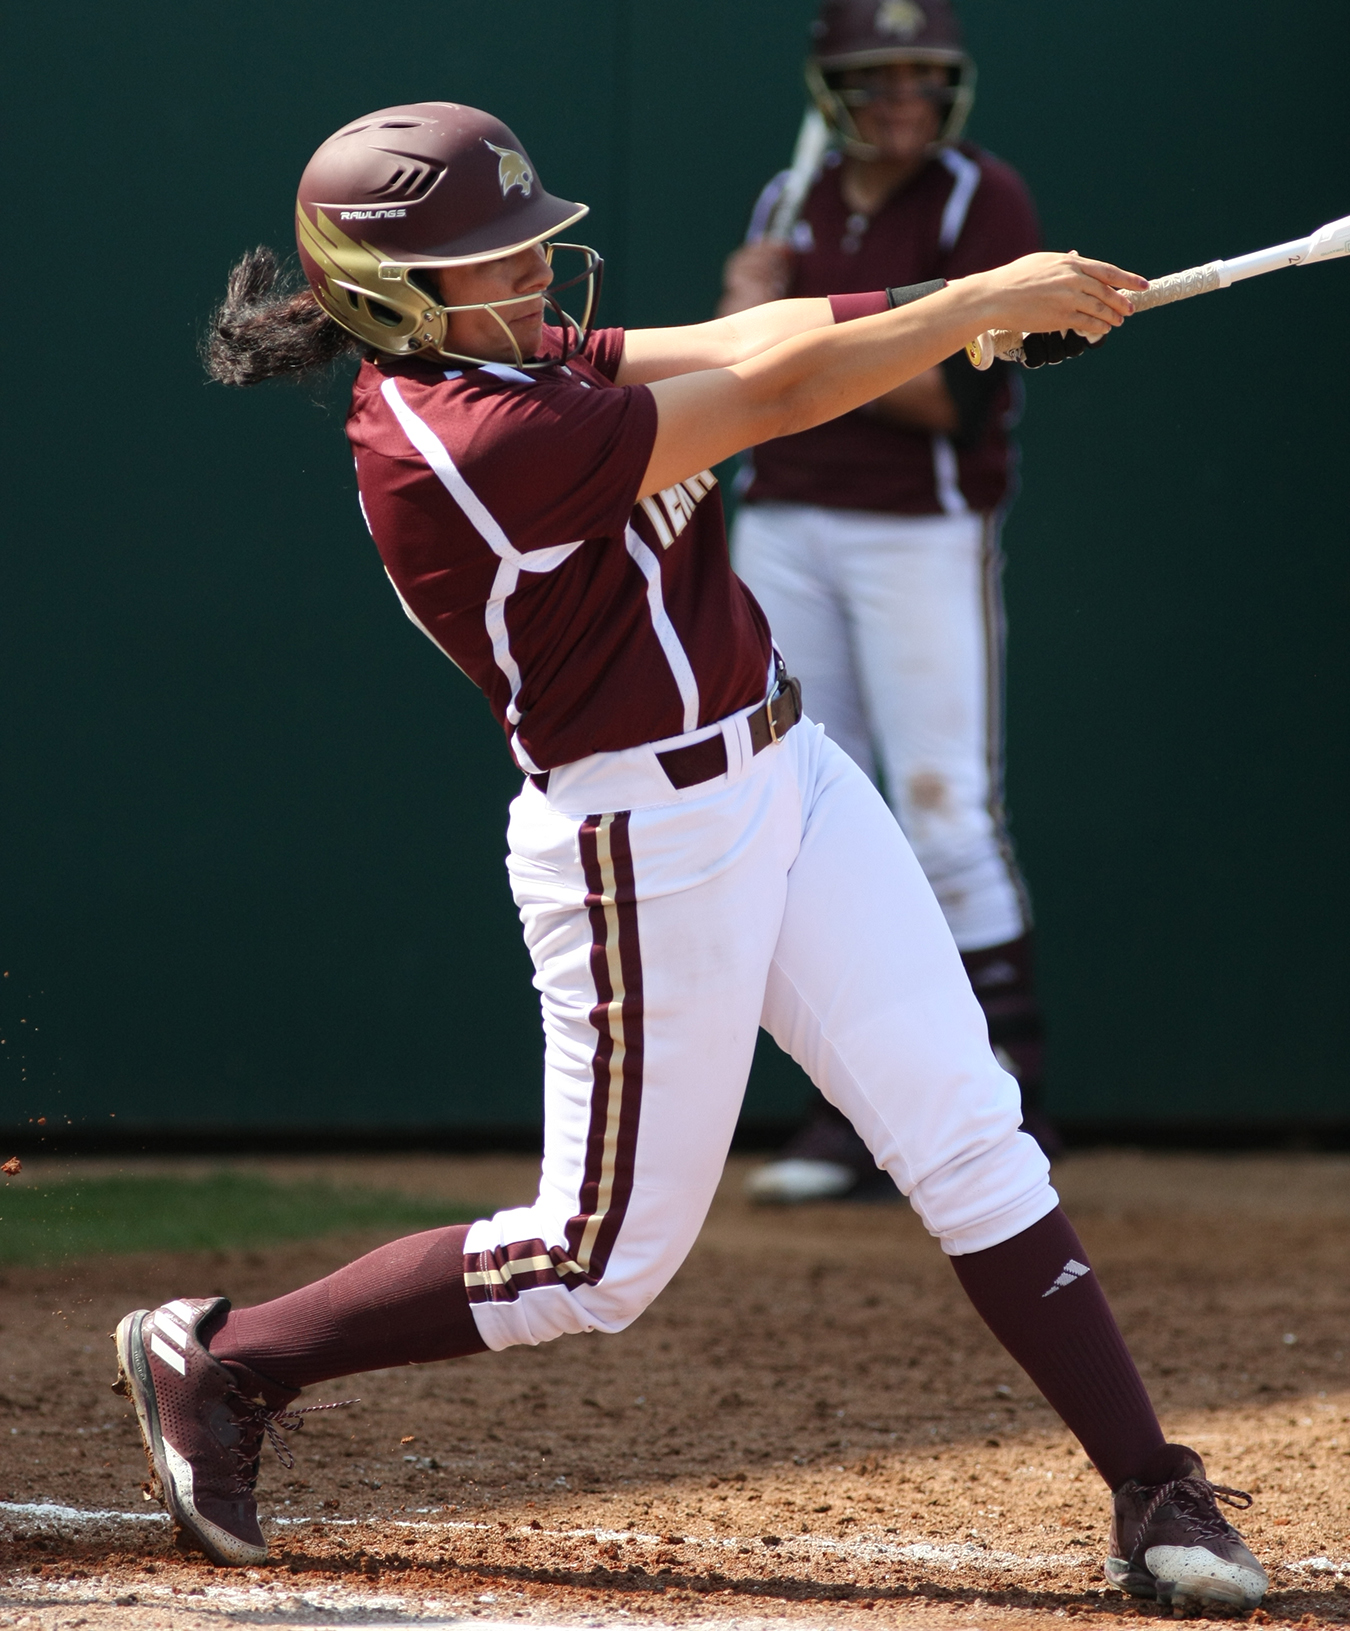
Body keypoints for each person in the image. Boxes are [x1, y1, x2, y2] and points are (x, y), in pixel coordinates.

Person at [111, 101, 1267, 1613]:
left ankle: (1152, 1484)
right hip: (637, 836)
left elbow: (762, 326)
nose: (533, 273)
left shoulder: (513, 355)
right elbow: (774, 391)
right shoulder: (470, 439)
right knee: (593, 1261)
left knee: (964, 1123)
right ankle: (228, 1355)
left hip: (786, 766)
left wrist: (966, 302)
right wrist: (978, 302)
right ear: (393, 293)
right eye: (491, 258)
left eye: (530, 241)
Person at [722, 0, 1064, 1203]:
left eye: (925, 74)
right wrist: (751, 317)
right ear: (836, 91)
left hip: (919, 530)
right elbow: (731, 379)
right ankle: (852, 1118)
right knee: (803, 812)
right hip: (785, 523)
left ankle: (1012, 1098)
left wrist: (781, 341)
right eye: (879, 77)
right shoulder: (784, 204)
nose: (904, 97)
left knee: (940, 801)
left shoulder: (984, 203)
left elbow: (946, 402)